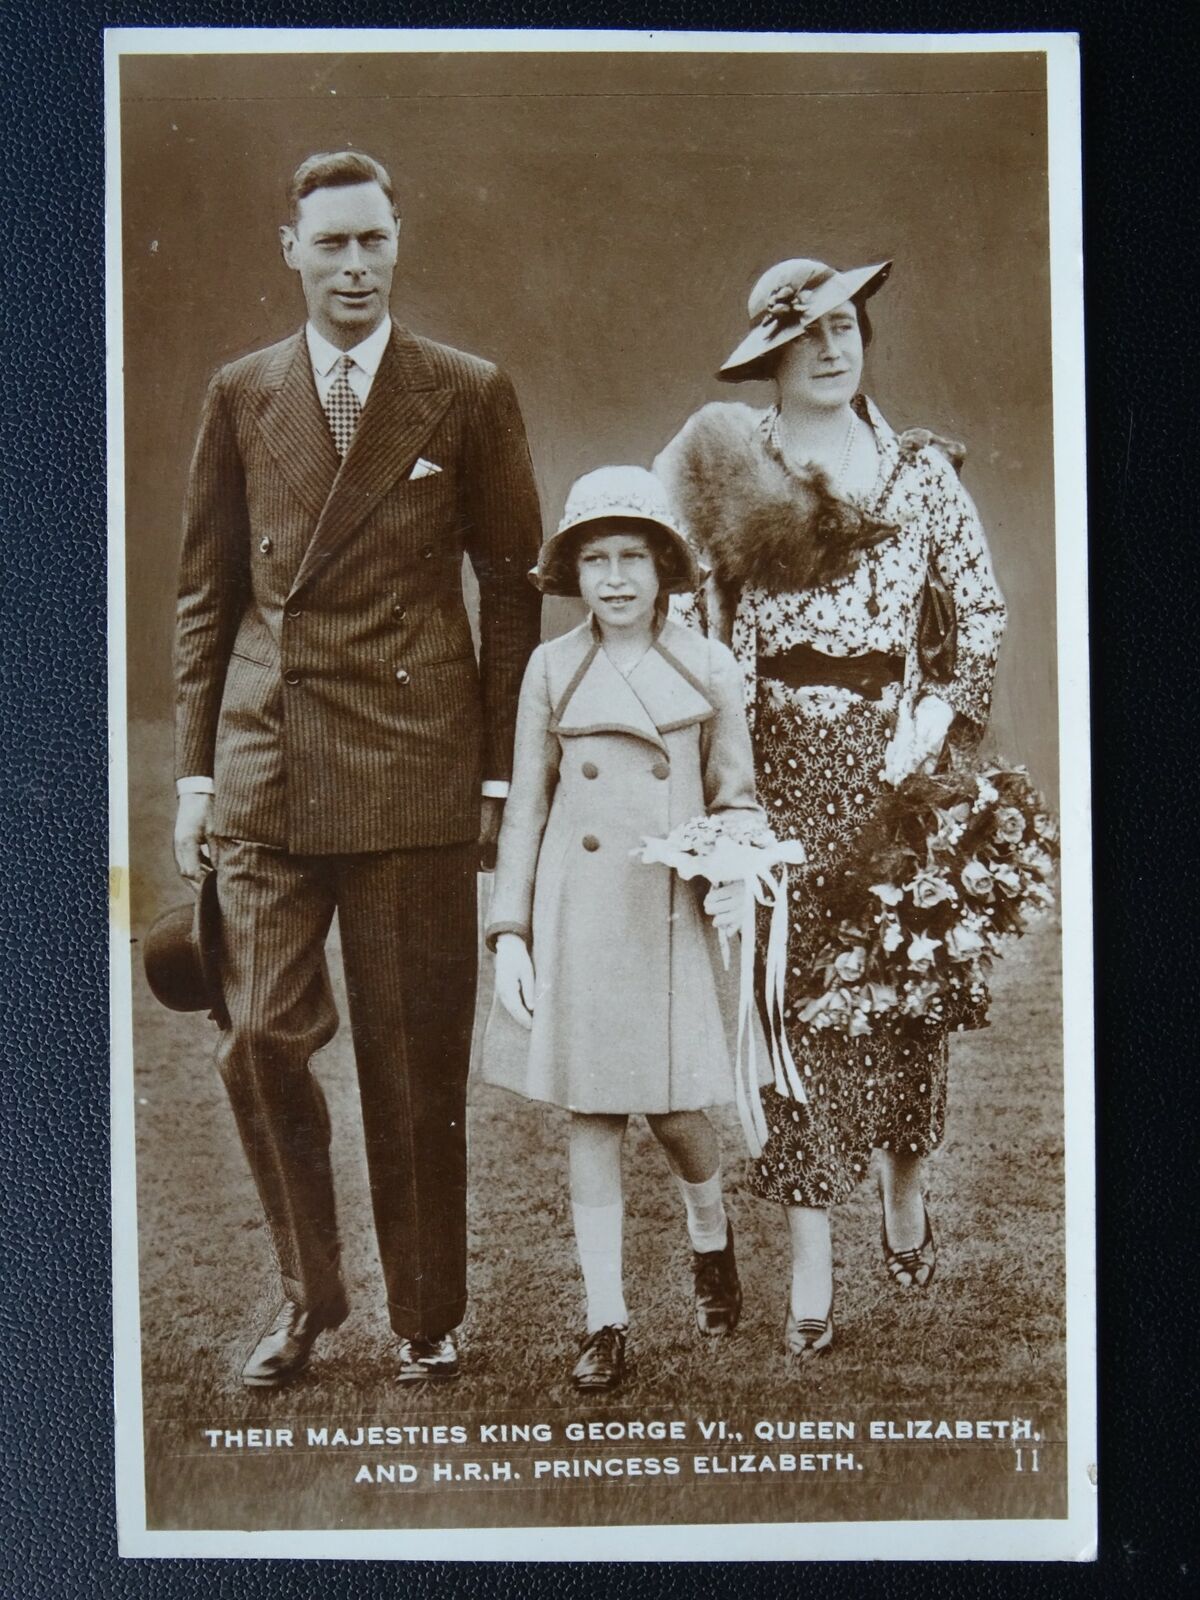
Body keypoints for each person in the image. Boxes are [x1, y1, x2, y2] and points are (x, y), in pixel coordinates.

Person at [172, 150, 543, 1386]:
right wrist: (190, 779)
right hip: (267, 769)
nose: (353, 265)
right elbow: (204, 598)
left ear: (400, 241)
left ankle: (428, 1315)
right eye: (329, 243)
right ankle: (308, 1291)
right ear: (291, 248)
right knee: (257, 1040)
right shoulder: (241, 394)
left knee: (411, 1062)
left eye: (372, 241)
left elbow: (511, 587)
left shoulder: (466, 391)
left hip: (413, 775)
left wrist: (495, 774)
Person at [654, 257, 1007, 1357]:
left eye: (845, 325)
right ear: (769, 356)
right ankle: (813, 1259)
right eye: (804, 333)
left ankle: (904, 1187)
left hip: (900, 767)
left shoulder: (919, 474)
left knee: (903, 998)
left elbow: (981, 612)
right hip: (773, 771)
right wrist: (719, 767)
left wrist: (937, 724)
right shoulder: (730, 473)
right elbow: (685, 617)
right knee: (794, 1019)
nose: (830, 346)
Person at [481, 466, 766, 1393]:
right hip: (582, 910)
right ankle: (605, 1317)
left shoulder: (709, 666)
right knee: (593, 1111)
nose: (613, 579)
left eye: (632, 559)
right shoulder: (551, 668)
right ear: (573, 573)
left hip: (672, 914)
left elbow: (738, 799)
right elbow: (526, 807)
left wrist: (734, 865)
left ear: (664, 570)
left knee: (682, 1116)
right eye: (595, 560)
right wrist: (512, 931)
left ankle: (708, 1234)